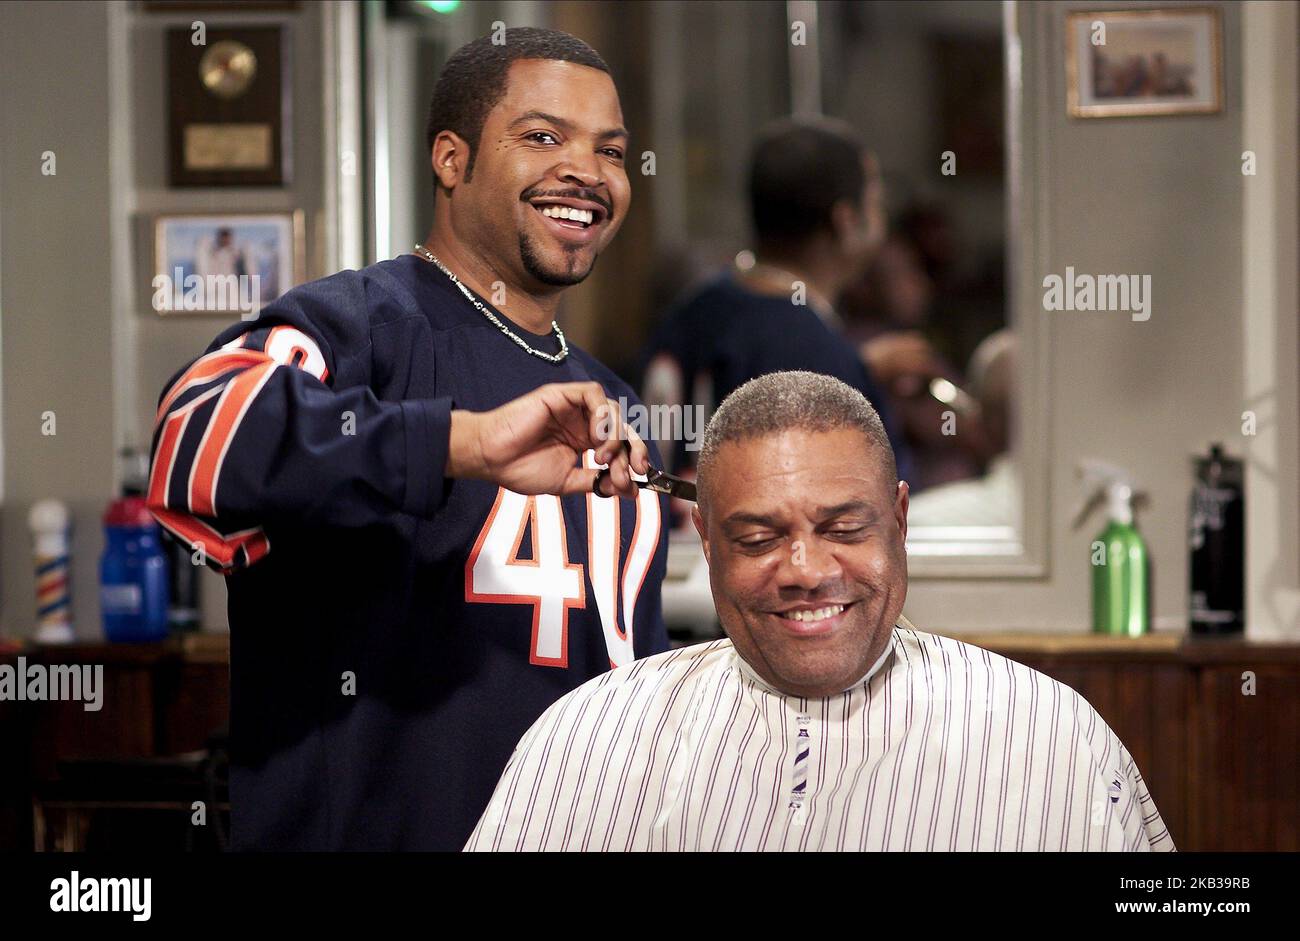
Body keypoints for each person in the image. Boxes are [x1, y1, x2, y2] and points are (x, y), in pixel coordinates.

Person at [147, 27, 669, 851]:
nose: (586, 172)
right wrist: (457, 443)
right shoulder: (356, 326)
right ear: (451, 160)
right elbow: (192, 442)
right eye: (542, 137)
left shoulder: (614, 402)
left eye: (610, 150)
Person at [466, 371, 1175, 852]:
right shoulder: (592, 738)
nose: (805, 572)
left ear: (899, 519)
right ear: (709, 542)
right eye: (759, 537)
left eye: (843, 529)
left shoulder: (1049, 739)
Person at [640, 116, 913, 486]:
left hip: (670, 537)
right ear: (846, 222)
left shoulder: (696, 307)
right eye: (876, 203)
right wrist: (845, 370)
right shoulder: (812, 353)